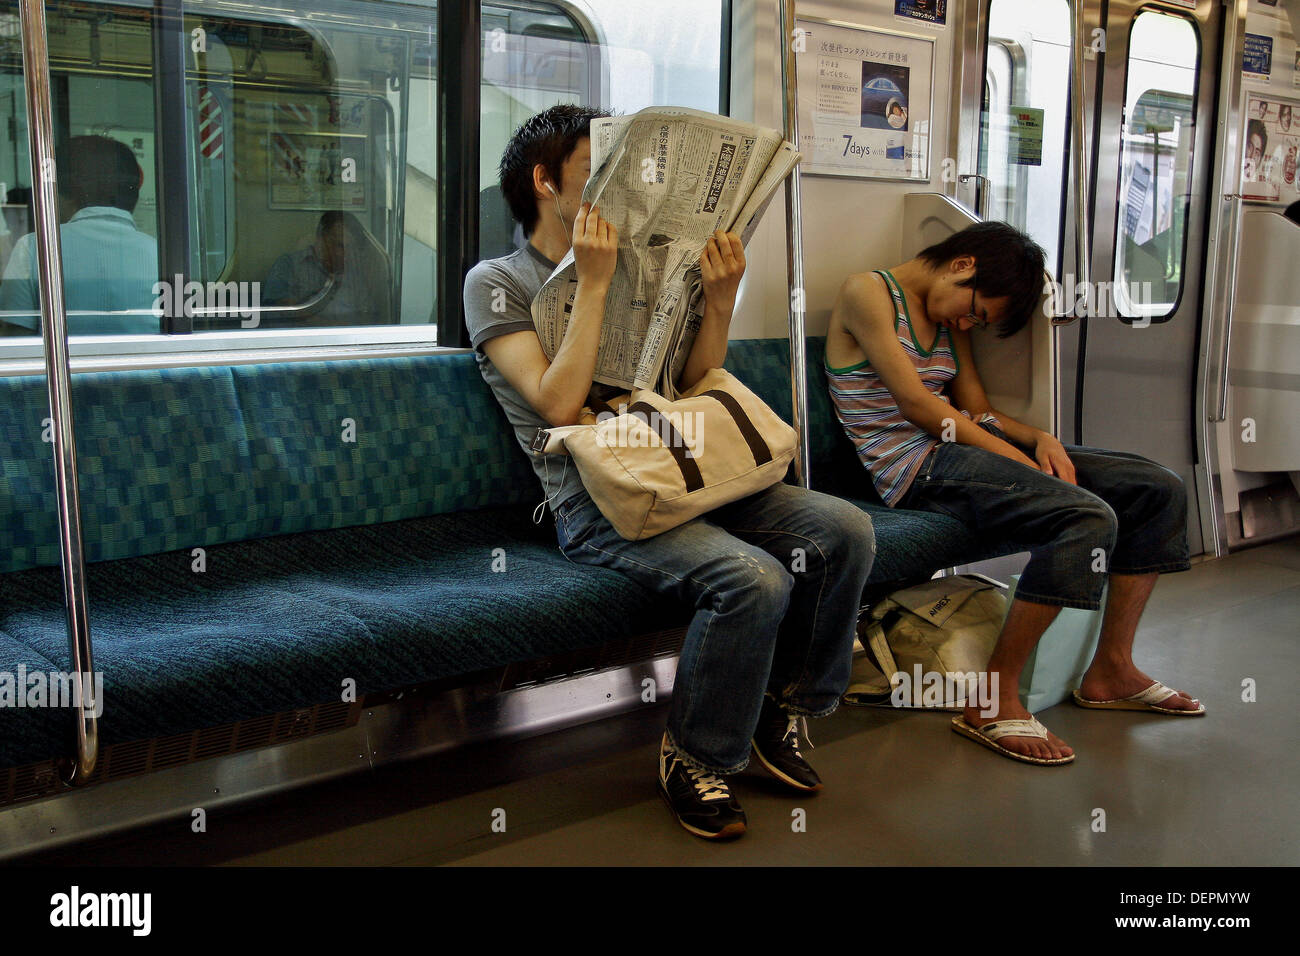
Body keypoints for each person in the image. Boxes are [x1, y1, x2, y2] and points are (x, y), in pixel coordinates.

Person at [463, 104, 876, 839]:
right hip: (596, 499)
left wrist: (718, 303)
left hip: (683, 462)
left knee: (846, 530)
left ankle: (778, 708)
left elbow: (696, 380)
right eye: (600, 174)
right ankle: (697, 753)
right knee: (755, 578)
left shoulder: (645, 261)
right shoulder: (497, 281)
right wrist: (592, 285)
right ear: (545, 183)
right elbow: (559, 406)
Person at [825, 221, 1201, 767]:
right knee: (1081, 515)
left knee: (1156, 487)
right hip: (912, 464)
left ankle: (1111, 670)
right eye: (975, 313)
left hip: (965, 449)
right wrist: (1025, 468)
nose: (968, 323)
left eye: (978, 321)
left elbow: (974, 409)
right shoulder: (868, 293)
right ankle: (992, 700)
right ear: (962, 265)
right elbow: (920, 407)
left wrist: (1037, 438)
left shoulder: (946, 316)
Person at [0, 135, 158, 334]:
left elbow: (15, 341)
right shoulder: (161, 254)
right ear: (133, 194)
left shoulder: (33, 248)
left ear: (65, 191)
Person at [262, 210, 391, 327]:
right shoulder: (289, 264)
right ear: (320, 239)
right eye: (338, 245)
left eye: (349, 248)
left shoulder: (353, 277)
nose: (343, 254)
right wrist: (332, 326)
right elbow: (283, 309)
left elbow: (368, 317)